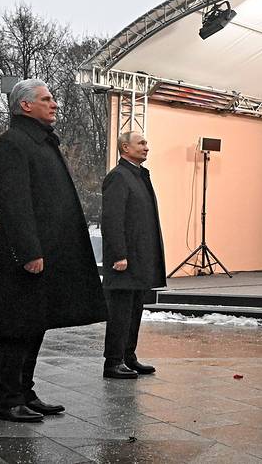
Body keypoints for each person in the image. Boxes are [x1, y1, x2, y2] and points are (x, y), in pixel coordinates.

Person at [0, 78, 107, 422]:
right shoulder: (11, 144)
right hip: (27, 255)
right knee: (18, 327)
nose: (54, 104)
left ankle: (25, 391)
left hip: (48, 250)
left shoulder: (39, 142)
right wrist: (29, 252)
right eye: (46, 99)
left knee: (35, 323)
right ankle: (8, 400)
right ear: (25, 105)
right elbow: (14, 205)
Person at [100, 131, 167, 379]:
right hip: (124, 261)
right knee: (120, 312)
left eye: (146, 143)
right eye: (141, 143)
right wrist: (119, 254)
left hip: (140, 260)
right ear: (125, 147)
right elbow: (112, 219)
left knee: (135, 310)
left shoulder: (138, 176)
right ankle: (113, 362)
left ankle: (129, 357)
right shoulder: (118, 177)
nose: (146, 147)